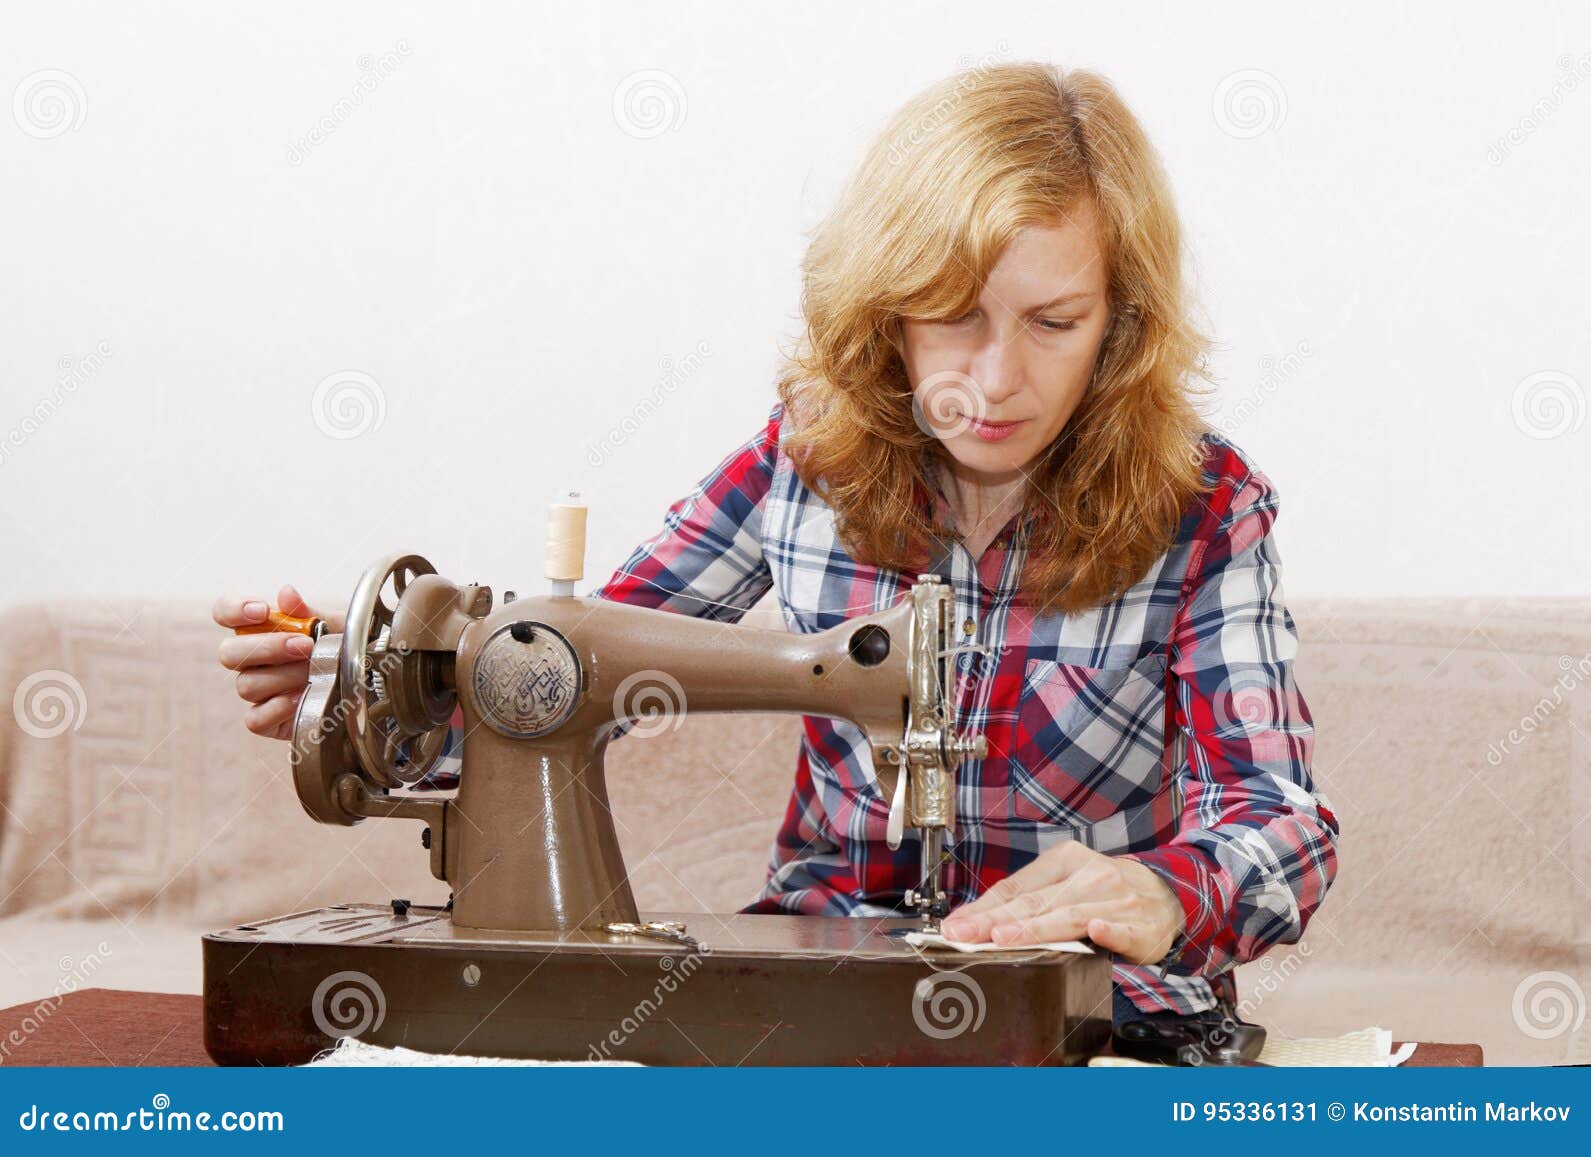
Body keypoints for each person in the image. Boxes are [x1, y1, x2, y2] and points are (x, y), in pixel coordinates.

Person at [214, 61, 1338, 1022]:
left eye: (1054, 322)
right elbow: (562, 675)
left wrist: (1170, 891)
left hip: (1093, 1015)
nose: (996, 381)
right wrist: (362, 686)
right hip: (818, 1001)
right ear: (884, 306)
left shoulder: (1204, 506)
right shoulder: (805, 459)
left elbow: (1278, 821)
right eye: (952, 313)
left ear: (1120, 320)